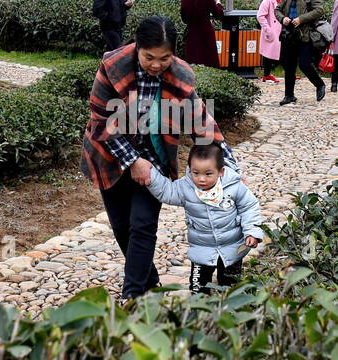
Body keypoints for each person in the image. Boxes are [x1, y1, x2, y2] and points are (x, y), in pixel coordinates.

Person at [80, 16, 238, 300]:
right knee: (122, 228)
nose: (156, 65)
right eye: (148, 57)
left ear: (173, 53)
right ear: (137, 47)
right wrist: (133, 161)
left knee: (143, 225)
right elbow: (101, 121)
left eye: (164, 58)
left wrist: (231, 168)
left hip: (154, 161)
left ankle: (132, 297)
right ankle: (149, 282)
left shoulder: (180, 76)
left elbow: (202, 121)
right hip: (110, 157)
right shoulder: (112, 67)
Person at [144, 143, 262, 295]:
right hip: (201, 250)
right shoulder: (185, 187)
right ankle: (199, 313)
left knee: (231, 287)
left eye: (208, 174)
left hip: (231, 247)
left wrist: (252, 231)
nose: (201, 179)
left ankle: (230, 313)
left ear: (221, 172)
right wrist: (151, 174)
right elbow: (167, 191)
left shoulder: (233, 185)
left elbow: (249, 207)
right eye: (196, 173)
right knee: (198, 288)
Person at [274, 0, 327, 106]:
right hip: (288, 34)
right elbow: (277, 10)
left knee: (304, 64)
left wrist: (301, 19)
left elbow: (320, 10)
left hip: (304, 34)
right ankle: (289, 95)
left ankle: (320, 84)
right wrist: (282, 18)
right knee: (288, 66)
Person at [180, 0, 224, 67]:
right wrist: (218, 1)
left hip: (191, 33)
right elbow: (219, 14)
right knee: (209, 61)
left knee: (192, 61)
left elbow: (184, 19)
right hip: (206, 33)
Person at [257, 0, 283, 83]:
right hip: (271, 30)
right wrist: (268, 29)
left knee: (284, 52)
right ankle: (266, 75)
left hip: (281, 29)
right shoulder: (267, 0)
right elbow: (260, 15)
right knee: (268, 53)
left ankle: (290, 74)